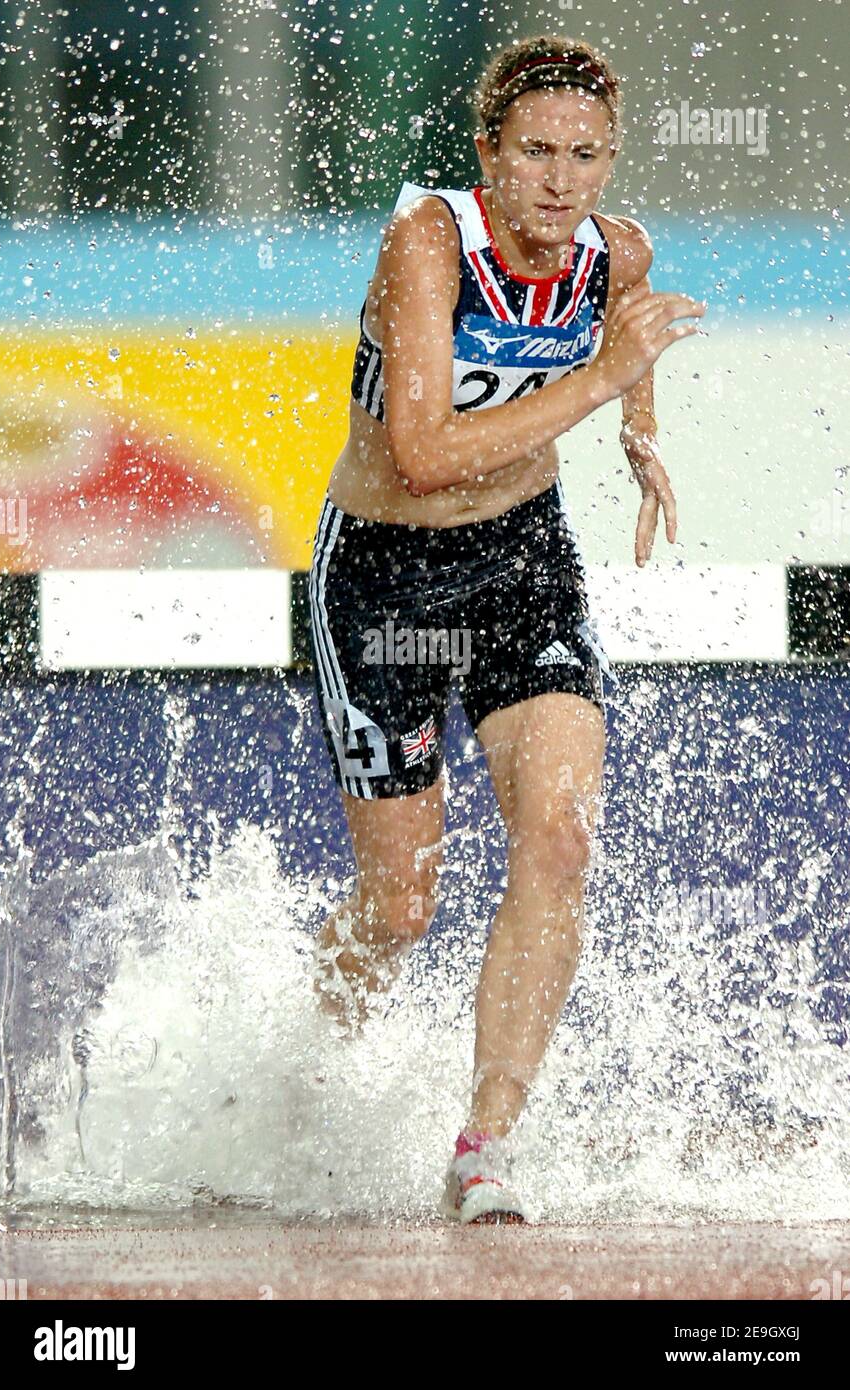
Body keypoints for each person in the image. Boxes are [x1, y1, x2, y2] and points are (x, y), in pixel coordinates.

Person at [308, 34, 705, 1224]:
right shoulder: (429, 243)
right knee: (400, 908)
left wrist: (639, 435)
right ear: (487, 154)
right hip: (383, 580)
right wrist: (599, 386)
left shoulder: (614, 251)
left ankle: (484, 1144)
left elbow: (626, 326)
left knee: (560, 843)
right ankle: (297, 1064)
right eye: (534, 152)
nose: (561, 181)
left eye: (587, 156)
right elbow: (422, 458)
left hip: (520, 566)